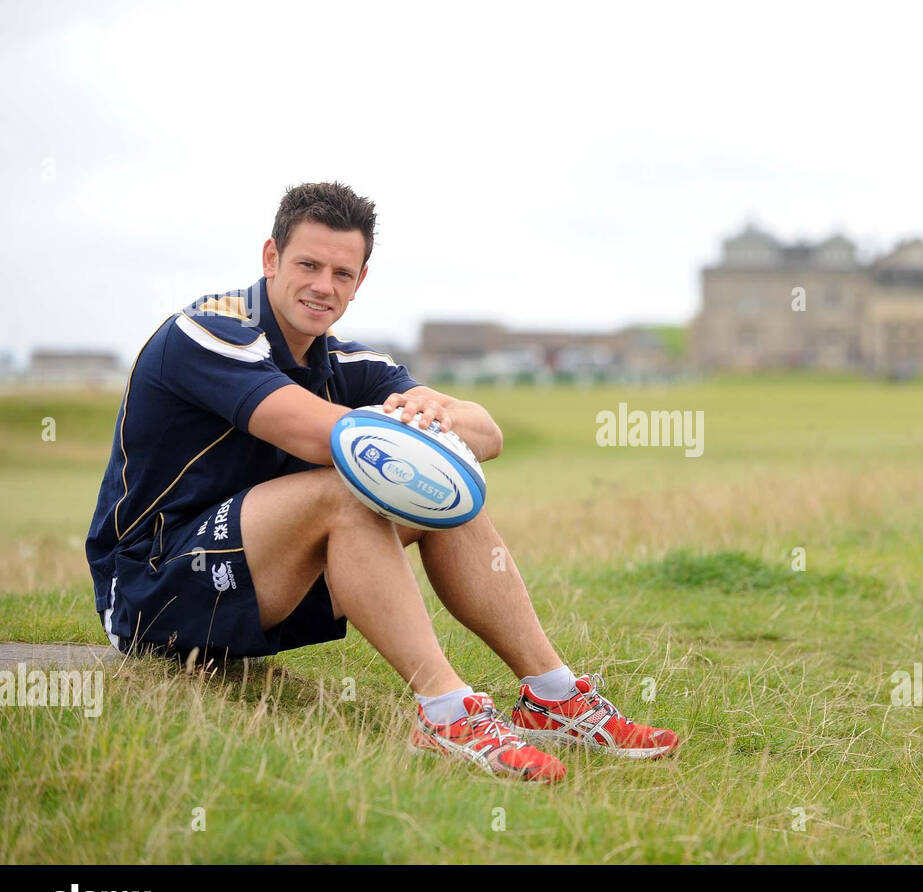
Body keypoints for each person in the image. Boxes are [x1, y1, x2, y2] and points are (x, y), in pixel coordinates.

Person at [85, 181, 679, 783]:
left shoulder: (345, 362)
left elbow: (489, 436)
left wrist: (435, 412)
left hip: (258, 583)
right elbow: (325, 440)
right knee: (359, 485)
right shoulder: (210, 332)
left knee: (448, 484)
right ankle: (446, 713)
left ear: (360, 281)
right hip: (151, 591)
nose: (324, 286)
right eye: (308, 265)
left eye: (342, 273)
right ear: (271, 259)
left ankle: (551, 696)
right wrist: (417, 433)